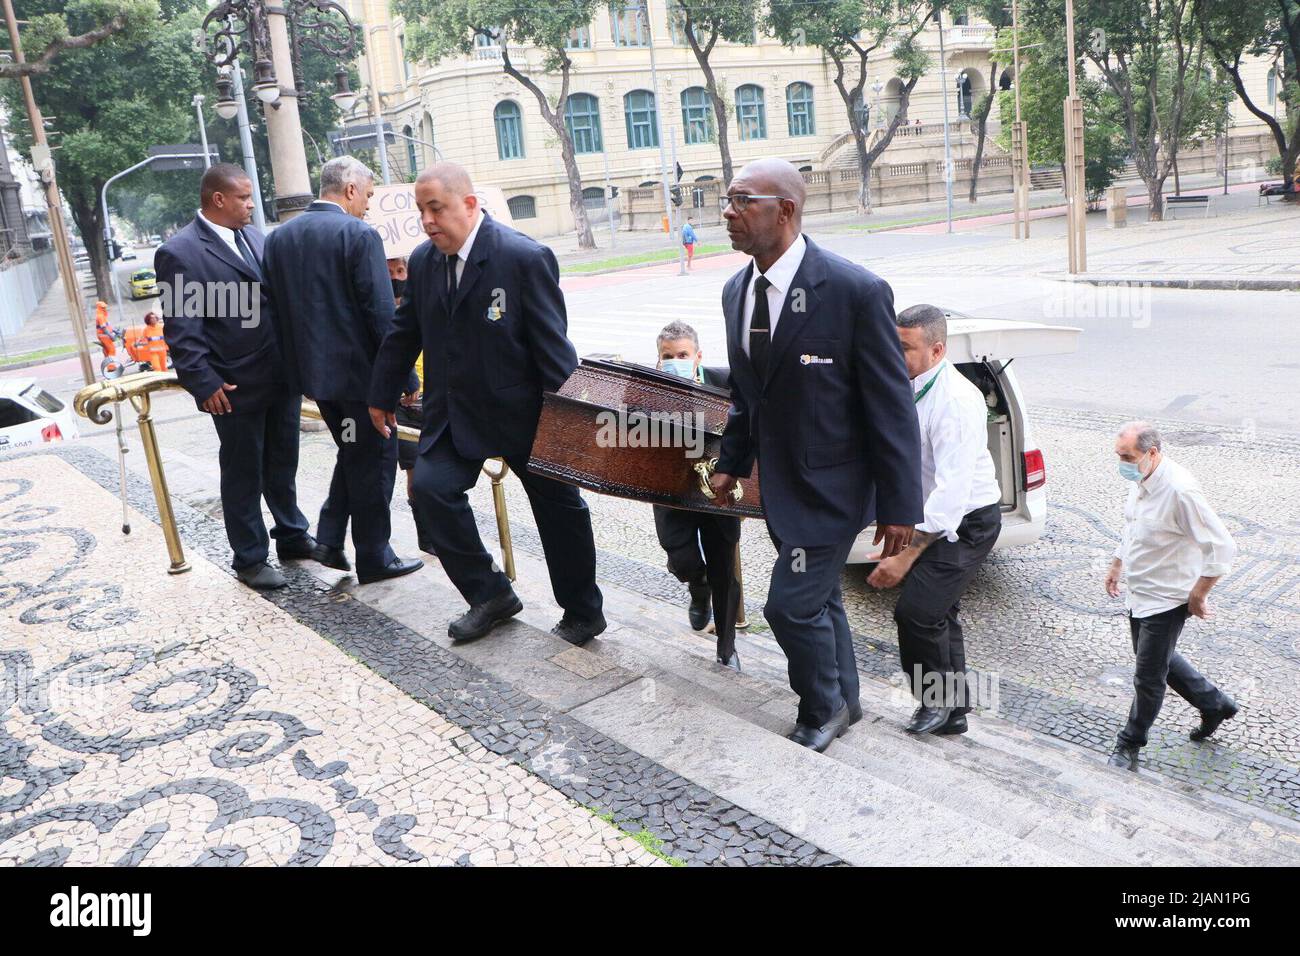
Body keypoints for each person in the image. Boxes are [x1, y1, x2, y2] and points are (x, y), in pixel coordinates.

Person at [709, 158, 923, 753]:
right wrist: (731, 460)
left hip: (834, 491)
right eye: (726, 200)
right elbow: (749, 394)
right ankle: (847, 698)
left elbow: (891, 407)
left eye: (742, 200)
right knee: (821, 597)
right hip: (779, 487)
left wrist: (901, 503)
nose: (728, 213)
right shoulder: (736, 292)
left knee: (790, 606)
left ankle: (820, 707)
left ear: (785, 210)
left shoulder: (855, 291)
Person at [367, 162, 605, 645]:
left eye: (438, 208)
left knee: (560, 511)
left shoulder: (522, 258)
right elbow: (403, 333)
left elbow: (554, 352)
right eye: (421, 211)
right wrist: (381, 393)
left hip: (526, 416)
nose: (428, 220)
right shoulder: (424, 261)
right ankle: (490, 594)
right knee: (431, 491)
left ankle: (583, 611)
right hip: (455, 416)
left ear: (469, 205)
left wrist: (570, 425)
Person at [154, 163, 318, 590]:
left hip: (279, 375)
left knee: (282, 461)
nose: (251, 204)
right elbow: (181, 326)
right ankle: (249, 558)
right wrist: (202, 381)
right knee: (244, 470)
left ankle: (292, 535)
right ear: (219, 199)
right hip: (232, 385)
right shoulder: (180, 252)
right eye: (244, 198)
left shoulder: (254, 237)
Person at [261, 155, 423, 586]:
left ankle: (331, 540)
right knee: (375, 458)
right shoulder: (358, 233)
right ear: (350, 189)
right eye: (368, 195)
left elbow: (273, 313)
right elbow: (381, 311)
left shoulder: (279, 238)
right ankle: (375, 555)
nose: (368, 205)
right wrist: (404, 378)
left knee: (355, 450)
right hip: (360, 382)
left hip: (315, 382)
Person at [867, 304, 1002, 735]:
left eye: (904, 347)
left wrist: (905, 555)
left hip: (967, 521)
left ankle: (935, 703)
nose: (894, 354)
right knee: (940, 613)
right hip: (931, 513)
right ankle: (954, 711)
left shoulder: (957, 401)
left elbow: (951, 493)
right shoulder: (907, 381)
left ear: (937, 349)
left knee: (917, 614)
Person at [1104, 422, 1238, 771]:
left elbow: (1222, 546)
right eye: (1119, 456)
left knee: (1148, 676)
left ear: (1152, 453)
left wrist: (1199, 593)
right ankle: (1214, 703)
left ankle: (1130, 742)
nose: (1122, 463)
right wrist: (1118, 563)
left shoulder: (1180, 491)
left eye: (1128, 457)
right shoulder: (1142, 479)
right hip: (1141, 591)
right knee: (1154, 658)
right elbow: (1133, 526)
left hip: (1167, 598)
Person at [651, 320, 743, 670]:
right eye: (669, 355)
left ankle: (727, 646)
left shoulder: (726, 381)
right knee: (681, 555)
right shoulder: (649, 387)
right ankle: (697, 585)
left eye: (683, 354)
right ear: (659, 359)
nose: (676, 359)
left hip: (719, 493)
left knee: (724, 566)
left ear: (697, 355)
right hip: (671, 492)